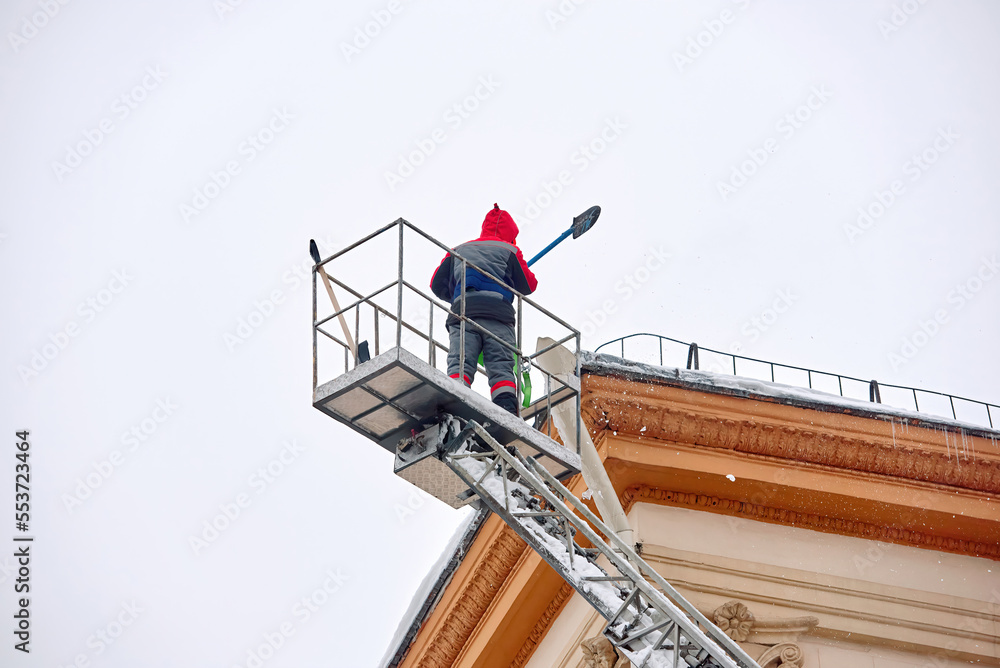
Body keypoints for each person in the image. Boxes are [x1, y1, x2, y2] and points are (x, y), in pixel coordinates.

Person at [430, 204, 538, 415]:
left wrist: (456, 292)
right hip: (498, 316)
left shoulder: (459, 249)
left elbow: (436, 284)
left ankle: (454, 401)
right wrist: (509, 279)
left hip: (463, 313)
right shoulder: (510, 250)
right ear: (510, 235)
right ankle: (506, 409)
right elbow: (529, 285)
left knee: (460, 362)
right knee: (500, 366)